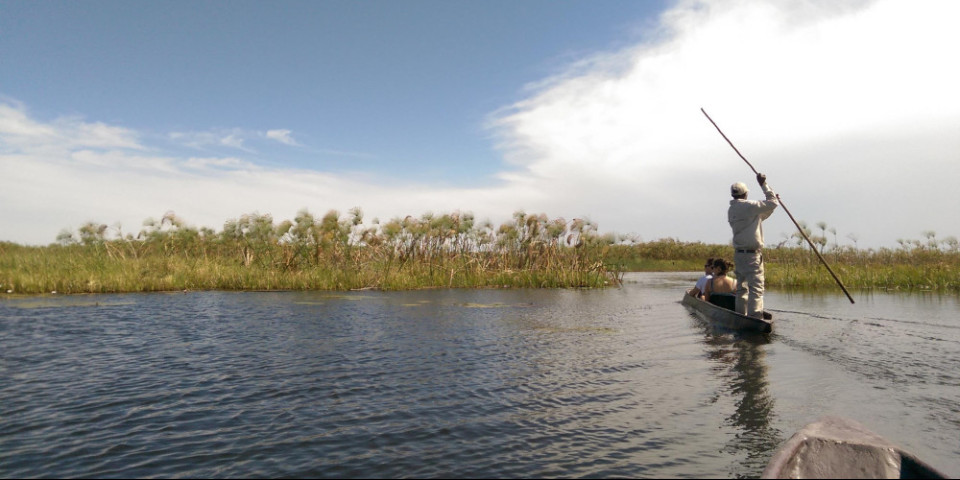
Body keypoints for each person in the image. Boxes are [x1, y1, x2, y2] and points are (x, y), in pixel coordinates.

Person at [728, 172, 778, 318]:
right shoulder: (749, 206)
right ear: (746, 194)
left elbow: (759, 217)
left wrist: (771, 206)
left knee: (741, 289)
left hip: (739, 255)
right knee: (756, 289)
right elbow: (772, 202)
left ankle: (740, 316)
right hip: (752, 256)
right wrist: (763, 184)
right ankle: (755, 318)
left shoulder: (732, 209)